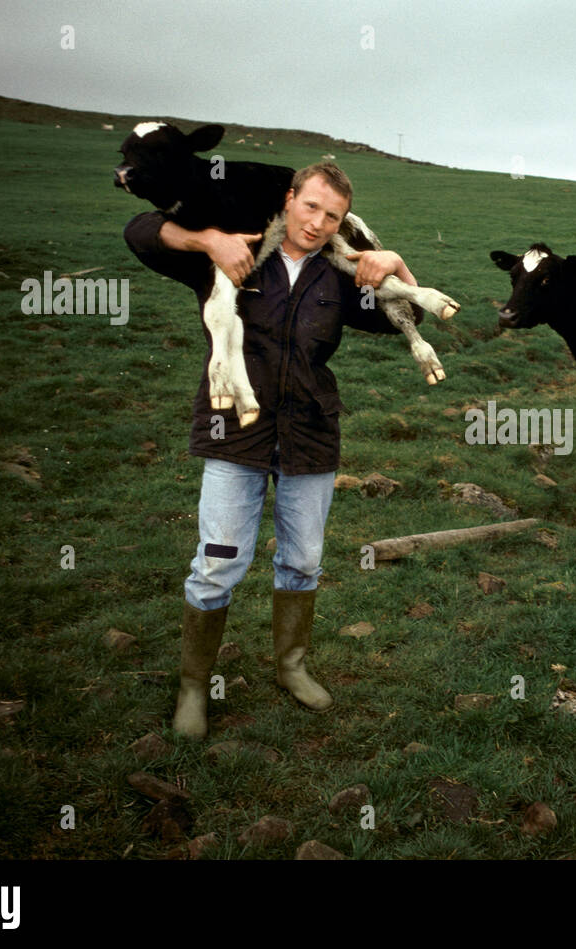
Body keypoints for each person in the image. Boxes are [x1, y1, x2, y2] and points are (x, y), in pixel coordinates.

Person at [123, 162, 420, 739]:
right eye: (310, 206)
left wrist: (395, 264)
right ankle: (193, 686)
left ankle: (291, 667)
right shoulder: (237, 250)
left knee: (303, 559)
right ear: (289, 199)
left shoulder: (340, 273)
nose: (317, 222)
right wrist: (208, 239)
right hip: (234, 429)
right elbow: (139, 232)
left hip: (310, 434)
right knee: (217, 563)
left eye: (331, 215)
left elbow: (398, 314)